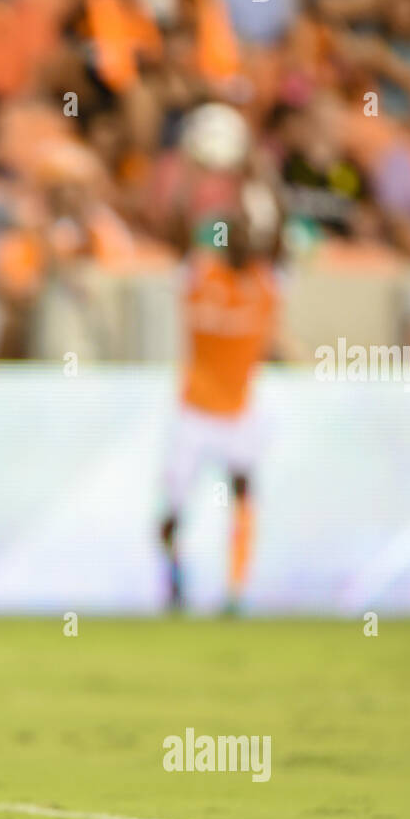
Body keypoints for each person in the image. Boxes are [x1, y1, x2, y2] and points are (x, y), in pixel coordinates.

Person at [159, 210, 284, 614]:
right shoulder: (200, 276)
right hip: (194, 409)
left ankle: (236, 587)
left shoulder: (265, 282)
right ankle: (174, 575)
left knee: (244, 492)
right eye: (236, 237)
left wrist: (262, 178)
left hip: (239, 411)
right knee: (176, 503)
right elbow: (175, 236)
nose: (245, 245)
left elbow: (283, 238)